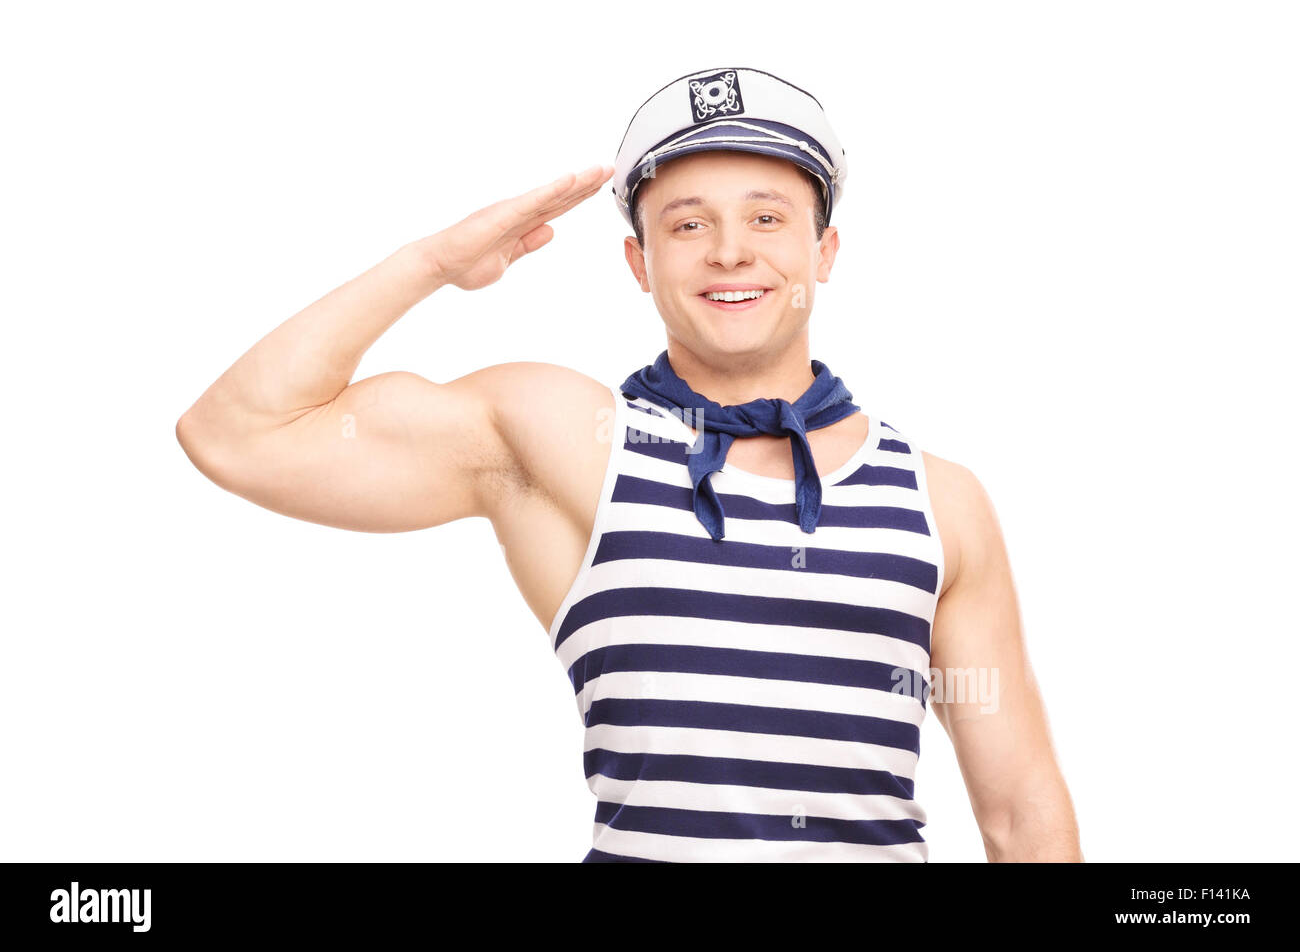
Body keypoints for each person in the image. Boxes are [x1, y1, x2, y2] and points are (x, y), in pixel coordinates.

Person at [176, 67, 1082, 862]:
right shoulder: (565, 439)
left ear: (824, 251)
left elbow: (1021, 820)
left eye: (767, 217)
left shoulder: (940, 502)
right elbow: (237, 433)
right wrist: (432, 264)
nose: (731, 250)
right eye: (689, 225)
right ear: (639, 264)